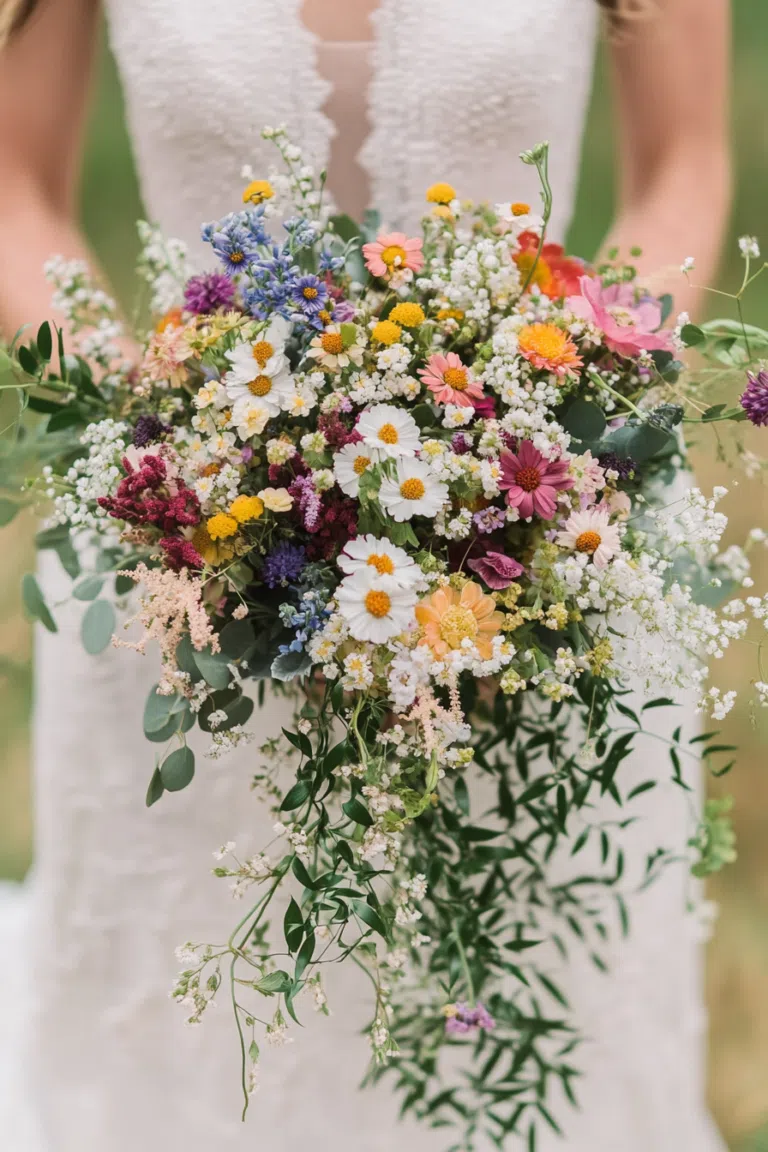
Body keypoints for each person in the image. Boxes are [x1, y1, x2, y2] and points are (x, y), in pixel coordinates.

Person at [0, 0, 731, 1149]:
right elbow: (15, 177)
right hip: (184, 568)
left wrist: (567, 417)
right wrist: (163, 441)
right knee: (192, 1031)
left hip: (536, 551)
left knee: (508, 1020)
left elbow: (686, 160)